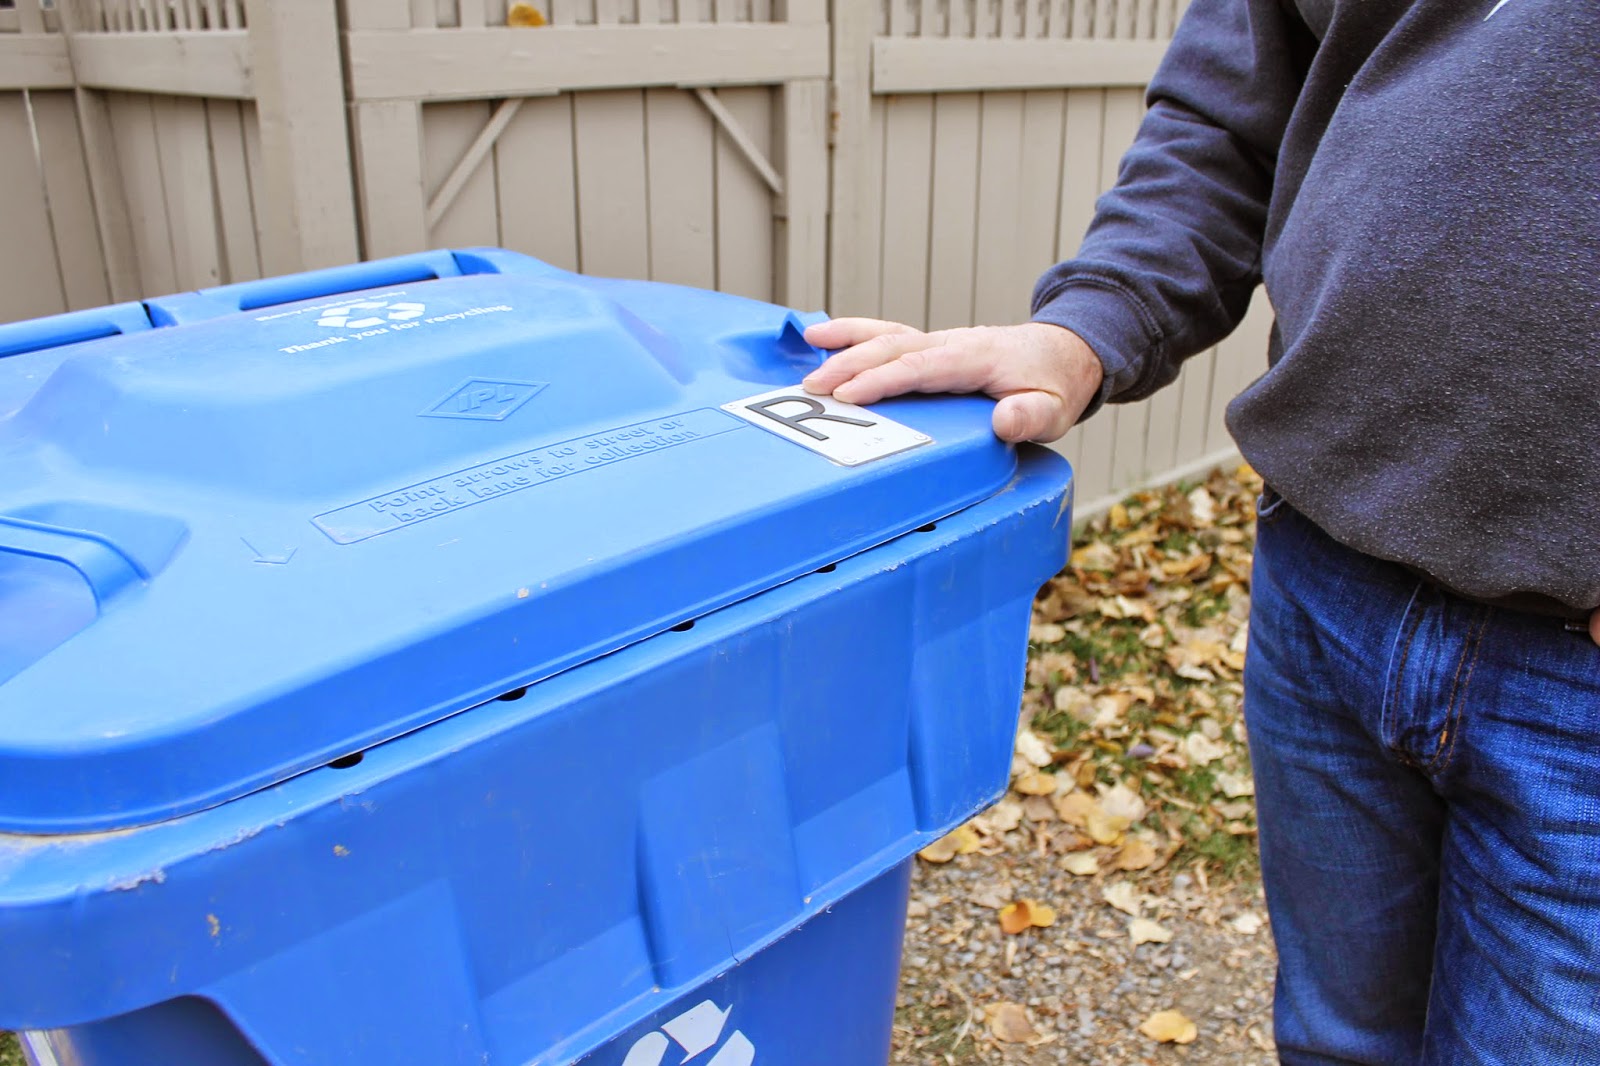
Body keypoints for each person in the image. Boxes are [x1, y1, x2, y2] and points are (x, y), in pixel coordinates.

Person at [800, 1, 1600, 1062]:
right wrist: (1088, 324)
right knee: (1334, 1037)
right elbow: (1231, 121)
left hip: (1574, 674)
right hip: (1323, 580)